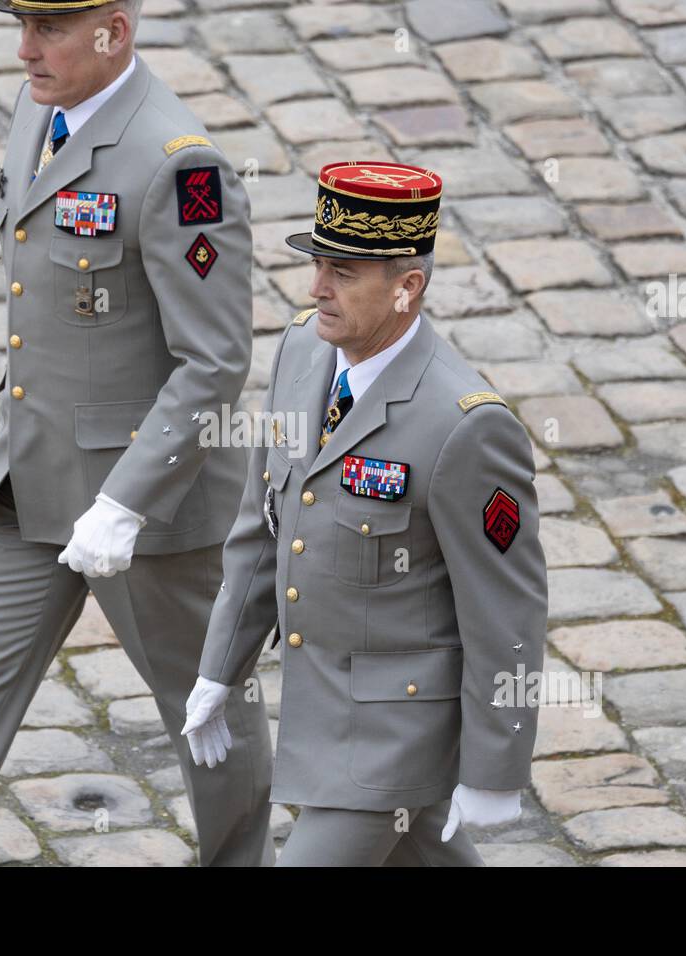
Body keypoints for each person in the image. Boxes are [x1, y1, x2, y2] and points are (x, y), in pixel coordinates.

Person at [0, 0, 273, 867]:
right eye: (23, 24)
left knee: (207, 715)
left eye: (49, 29)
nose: (23, 49)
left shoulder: (181, 169)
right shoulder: (39, 109)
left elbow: (213, 365)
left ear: (114, 29)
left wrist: (124, 503)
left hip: (148, 515)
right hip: (29, 482)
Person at [180, 162, 549, 865]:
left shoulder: (464, 426)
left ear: (407, 288)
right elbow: (263, 528)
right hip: (326, 714)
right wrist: (218, 669)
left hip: (393, 739)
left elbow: (508, 610)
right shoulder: (301, 352)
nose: (317, 288)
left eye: (343, 273)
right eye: (318, 265)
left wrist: (494, 767)